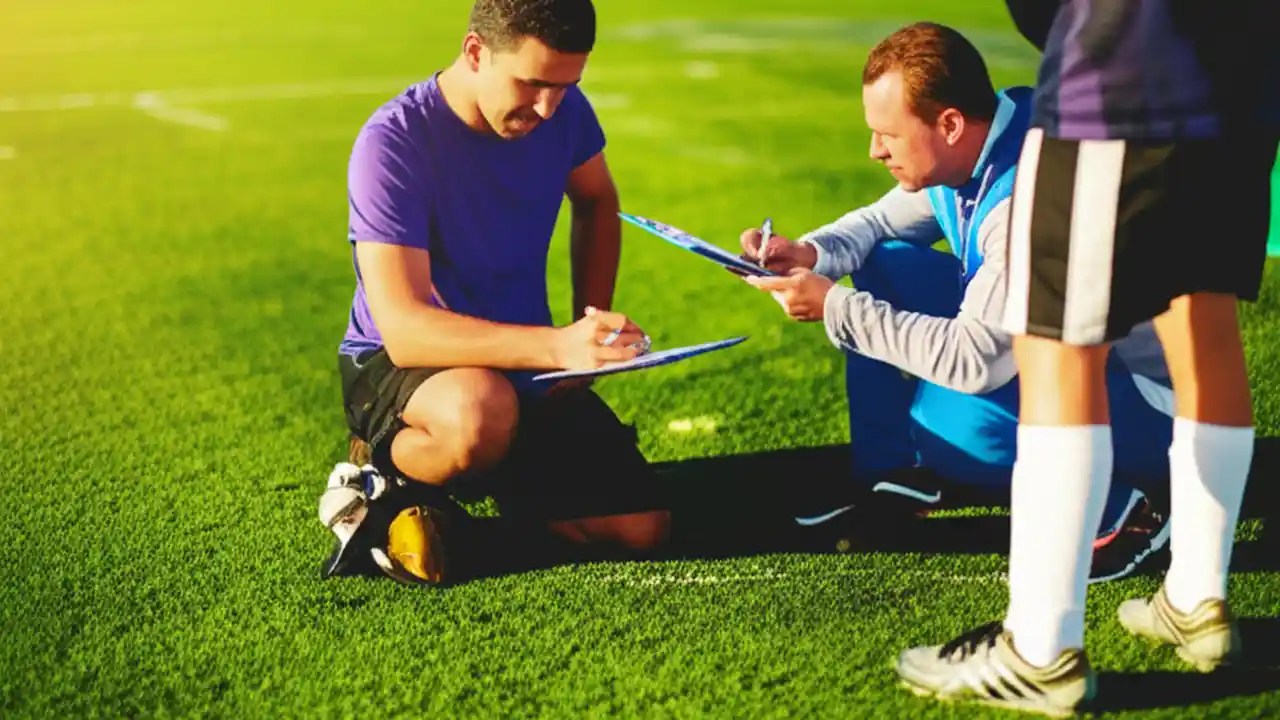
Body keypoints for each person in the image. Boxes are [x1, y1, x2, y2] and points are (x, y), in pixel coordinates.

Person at [894, 1, 1280, 715]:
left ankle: (1039, 650)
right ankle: (1198, 597)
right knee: (1200, 316)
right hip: (1244, 73)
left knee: (1054, 340)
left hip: (1122, 66)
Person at [740, 22, 1175, 582]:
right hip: (1079, 364)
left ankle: (1119, 509)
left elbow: (975, 362)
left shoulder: (1024, 198)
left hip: (1141, 408)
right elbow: (876, 224)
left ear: (947, 124)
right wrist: (808, 252)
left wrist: (833, 308)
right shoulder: (980, 139)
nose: (874, 151)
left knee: (953, 430)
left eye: (888, 135)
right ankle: (895, 476)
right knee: (883, 259)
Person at [317, 0, 671, 587]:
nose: (548, 106)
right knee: (480, 414)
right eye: (532, 83)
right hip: (407, 365)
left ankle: (443, 528)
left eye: (566, 85)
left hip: (526, 360)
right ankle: (383, 477)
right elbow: (406, 331)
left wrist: (591, 323)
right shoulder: (394, 142)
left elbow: (597, 200)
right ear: (476, 51)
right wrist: (559, 348)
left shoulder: (563, 110)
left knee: (641, 528)